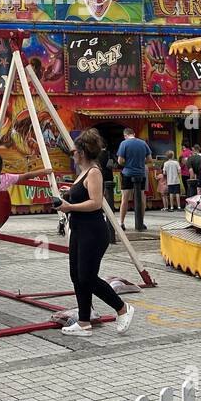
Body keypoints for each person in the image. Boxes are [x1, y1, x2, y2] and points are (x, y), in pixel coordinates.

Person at [57, 129, 134, 338]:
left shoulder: (94, 172)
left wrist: (69, 207)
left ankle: (122, 308)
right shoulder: (82, 173)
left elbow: (96, 202)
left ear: (81, 152)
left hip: (93, 231)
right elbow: (82, 198)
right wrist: (67, 199)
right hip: (79, 230)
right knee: (76, 275)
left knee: (88, 277)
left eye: (75, 151)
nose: (72, 154)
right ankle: (83, 322)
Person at [116, 127, 151, 231]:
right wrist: (140, 163)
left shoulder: (124, 143)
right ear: (134, 133)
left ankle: (121, 223)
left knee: (125, 198)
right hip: (141, 173)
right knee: (141, 198)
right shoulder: (143, 143)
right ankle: (141, 222)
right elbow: (149, 159)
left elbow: (120, 161)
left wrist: (128, 163)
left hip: (127, 173)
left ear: (125, 135)